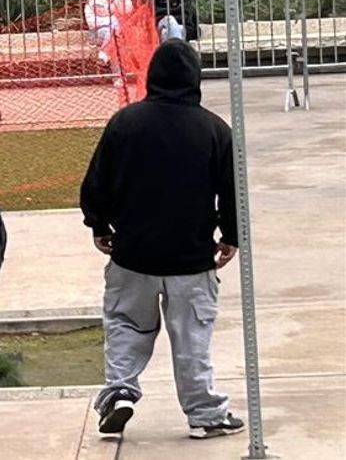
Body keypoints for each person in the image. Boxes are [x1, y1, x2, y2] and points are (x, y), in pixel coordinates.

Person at [79, 39, 245, 440]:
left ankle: (120, 391)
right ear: (195, 78)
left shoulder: (125, 123)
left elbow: (96, 182)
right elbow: (231, 189)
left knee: (125, 325)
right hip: (190, 257)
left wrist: (99, 224)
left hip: (132, 254)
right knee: (192, 337)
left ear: (152, 75)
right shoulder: (214, 129)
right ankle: (204, 412)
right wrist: (231, 236)